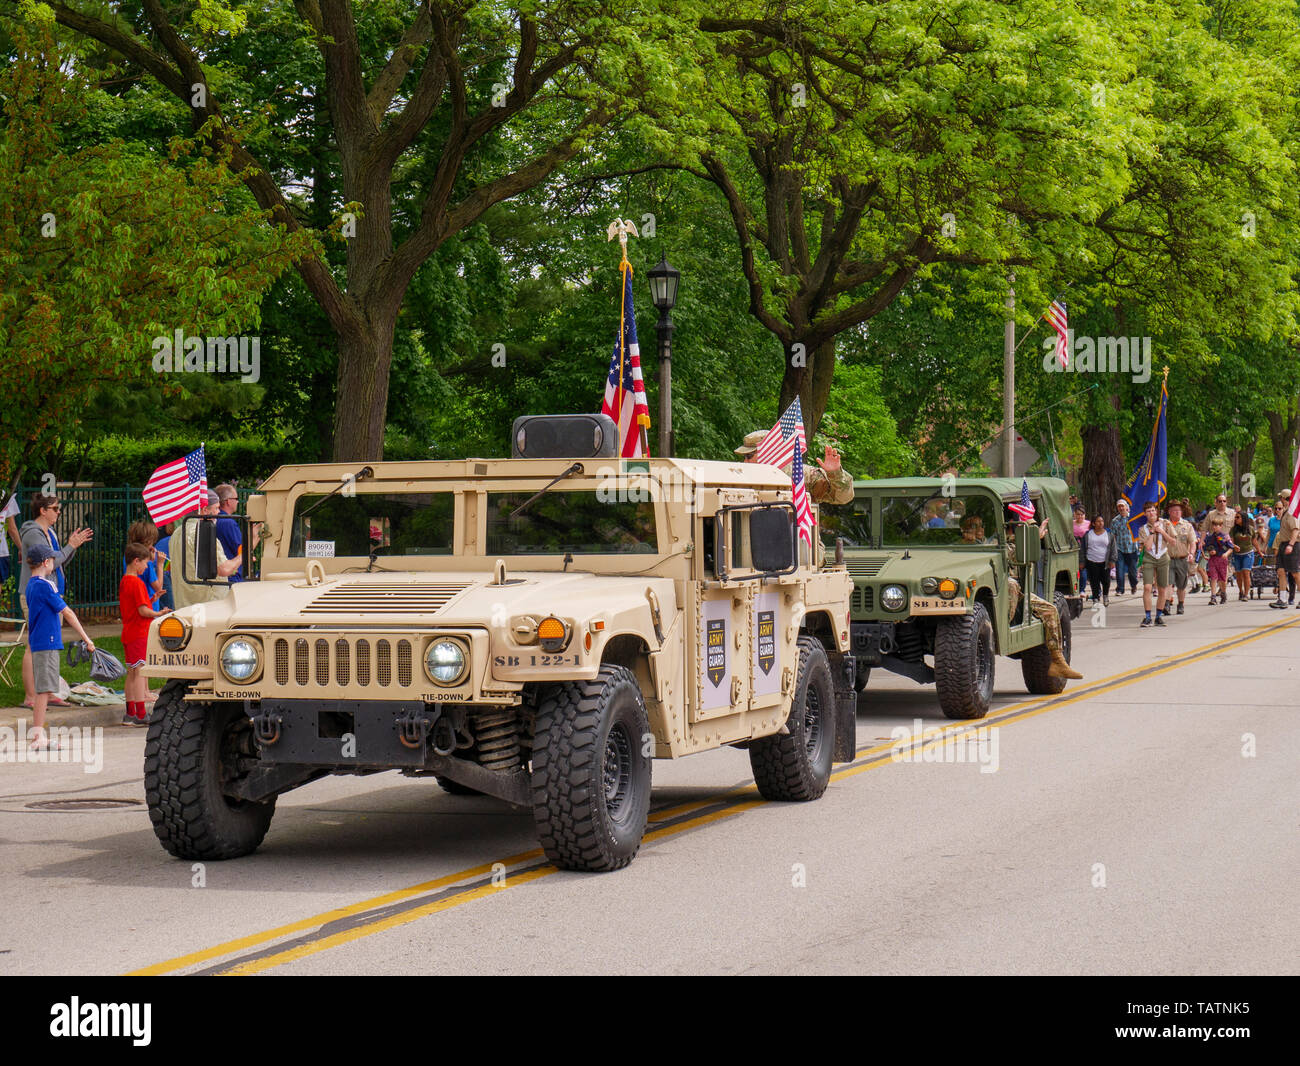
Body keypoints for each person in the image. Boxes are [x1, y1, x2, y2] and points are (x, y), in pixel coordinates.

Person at [18, 493, 92, 708]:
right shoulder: (33, 533)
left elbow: (58, 562)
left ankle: (48, 692)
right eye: (56, 509)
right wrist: (71, 546)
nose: (58, 512)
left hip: (51, 594)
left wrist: (71, 547)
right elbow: (50, 559)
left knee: (51, 643)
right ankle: (31, 696)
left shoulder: (49, 532)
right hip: (37, 596)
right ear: (43, 510)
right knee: (34, 644)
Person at [24, 542, 95, 750]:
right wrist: (87, 638)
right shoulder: (46, 586)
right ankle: (38, 737)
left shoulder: (31, 584)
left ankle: (38, 736)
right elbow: (67, 612)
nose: (54, 562)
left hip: (40, 640)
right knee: (44, 690)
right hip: (48, 641)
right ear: (46, 562)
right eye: (52, 559)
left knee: (43, 689)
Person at [1004, 514, 1081, 679]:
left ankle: (1058, 661)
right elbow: (1010, 554)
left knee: (1050, 610)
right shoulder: (1000, 540)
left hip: (1018, 595)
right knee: (1011, 585)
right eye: (1027, 529)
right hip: (1000, 595)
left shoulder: (1015, 540)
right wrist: (1033, 538)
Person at [121, 542, 171, 726]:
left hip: (129, 631)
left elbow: (136, 607)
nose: (145, 567)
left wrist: (152, 600)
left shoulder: (125, 581)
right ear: (136, 561)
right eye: (145, 564)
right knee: (141, 672)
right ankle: (141, 714)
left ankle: (130, 712)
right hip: (139, 632)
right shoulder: (137, 583)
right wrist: (159, 612)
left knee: (132, 672)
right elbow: (143, 611)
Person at [734, 433, 854, 505]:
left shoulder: (801, 474)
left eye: (749, 456)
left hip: (800, 541)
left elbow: (843, 498)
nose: (745, 461)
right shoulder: (739, 476)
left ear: (769, 452)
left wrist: (835, 474)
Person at [173, 492, 241, 609]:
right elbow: (224, 569)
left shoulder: (177, 533)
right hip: (207, 606)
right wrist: (243, 555)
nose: (219, 512)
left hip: (183, 604)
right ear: (204, 510)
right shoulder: (203, 534)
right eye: (216, 508)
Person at [1137, 501, 1172, 627]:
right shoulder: (1143, 529)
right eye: (1148, 511)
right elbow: (1147, 547)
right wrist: (1152, 532)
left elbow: (1173, 541)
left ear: (1156, 511)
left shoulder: (1166, 524)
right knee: (1147, 587)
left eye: (1153, 510)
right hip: (1149, 558)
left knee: (1162, 588)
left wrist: (1161, 531)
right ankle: (1147, 616)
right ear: (1145, 514)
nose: (1151, 513)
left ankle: (1158, 616)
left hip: (1162, 556)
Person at [1163, 501, 1197, 615]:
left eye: (1179, 510)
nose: (1177, 512)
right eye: (1174, 510)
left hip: (1182, 558)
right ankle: (1167, 604)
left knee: (1181, 585)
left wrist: (1191, 553)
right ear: (1169, 512)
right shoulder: (1164, 525)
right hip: (1167, 559)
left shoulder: (1187, 525)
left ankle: (1181, 604)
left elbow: (1192, 542)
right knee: (1168, 583)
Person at [124, 519, 165, 609]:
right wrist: (160, 564)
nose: (152, 546)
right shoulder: (148, 564)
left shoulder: (128, 556)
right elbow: (158, 588)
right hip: (149, 605)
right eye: (151, 542)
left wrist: (149, 558)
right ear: (146, 541)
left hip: (134, 604)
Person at [1270, 490, 1298, 609]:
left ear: (1285, 498)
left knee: (1295, 573)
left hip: (1292, 544)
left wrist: (1291, 545)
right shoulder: (1285, 512)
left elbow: (1295, 530)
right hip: (1283, 544)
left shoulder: (1292, 513)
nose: (1280, 499)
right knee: (1280, 571)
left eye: (1281, 497)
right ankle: (1282, 599)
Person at [214, 483, 245, 582]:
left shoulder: (213, 521)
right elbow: (242, 552)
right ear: (228, 501)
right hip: (232, 576)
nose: (238, 502)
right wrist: (254, 538)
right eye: (236, 499)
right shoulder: (229, 523)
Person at [1110, 500, 1139, 596]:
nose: (1121, 508)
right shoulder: (1115, 521)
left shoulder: (1133, 518)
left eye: (1122, 506)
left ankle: (1134, 585)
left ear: (1127, 507)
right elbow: (1113, 536)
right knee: (1120, 570)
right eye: (1119, 507)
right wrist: (1112, 549)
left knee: (1132, 572)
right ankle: (1120, 589)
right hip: (1120, 549)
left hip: (1132, 548)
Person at [1082, 513, 1112, 605]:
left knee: (1106, 580)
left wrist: (1113, 560)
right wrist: (1082, 561)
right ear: (1094, 523)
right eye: (1098, 521)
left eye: (1102, 521)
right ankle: (1095, 597)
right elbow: (1083, 548)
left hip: (1105, 561)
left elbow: (1113, 547)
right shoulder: (1088, 535)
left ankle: (1105, 595)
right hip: (1091, 560)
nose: (1100, 523)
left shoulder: (1108, 533)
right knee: (1094, 580)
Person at [1203, 517, 1234, 606]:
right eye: (1214, 525)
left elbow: (1231, 547)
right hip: (1213, 559)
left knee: (1222, 579)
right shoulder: (1209, 537)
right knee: (1213, 577)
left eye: (1217, 525)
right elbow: (1205, 547)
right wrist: (1208, 552)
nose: (1215, 527)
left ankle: (1223, 593)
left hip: (1222, 559)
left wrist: (1226, 554)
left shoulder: (1224, 536)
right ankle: (1213, 597)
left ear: (1221, 526)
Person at [1229, 508, 1256, 601]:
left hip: (1248, 553)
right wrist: (1234, 546)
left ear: (1243, 518)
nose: (1236, 519)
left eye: (1238, 517)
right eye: (1235, 517)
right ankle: (1240, 590)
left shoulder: (1250, 529)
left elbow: (1254, 541)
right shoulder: (1233, 530)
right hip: (1237, 554)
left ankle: (1246, 593)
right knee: (1239, 574)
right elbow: (1230, 542)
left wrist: (1260, 551)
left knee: (1246, 572)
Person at [0, 491, 20, 584]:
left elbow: (12, 528)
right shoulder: (6, 493)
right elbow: (12, 528)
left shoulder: (6, 494)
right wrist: (21, 548)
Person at [1072, 506, 1090, 595]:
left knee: (1083, 570)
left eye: (1082, 514)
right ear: (1074, 514)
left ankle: (1082, 589)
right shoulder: (1071, 524)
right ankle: (1076, 589)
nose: (1080, 516)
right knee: (1075, 570)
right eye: (1078, 514)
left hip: (1086, 549)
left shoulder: (1088, 524)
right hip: (1075, 549)